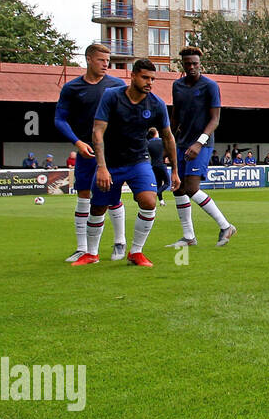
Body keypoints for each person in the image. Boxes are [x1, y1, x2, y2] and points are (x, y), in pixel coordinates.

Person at [76, 59, 180, 267]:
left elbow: (168, 137)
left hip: (138, 161)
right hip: (111, 163)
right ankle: (91, 254)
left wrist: (175, 170)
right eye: (145, 77)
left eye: (152, 79)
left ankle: (136, 252)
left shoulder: (156, 104)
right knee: (98, 208)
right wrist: (102, 167)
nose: (149, 82)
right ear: (132, 76)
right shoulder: (112, 97)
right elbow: (97, 131)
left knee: (149, 202)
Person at [55, 42, 129, 262]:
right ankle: (83, 248)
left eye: (108, 61)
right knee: (83, 195)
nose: (106, 64)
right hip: (86, 150)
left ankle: (120, 241)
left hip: (111, 151)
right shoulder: (72, 88)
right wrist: (77, 142)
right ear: (88, 59)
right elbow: (59, 119)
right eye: (101, 60)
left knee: (111, 195)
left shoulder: (117, 85)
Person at [166, 48, 236, 250]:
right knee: (178, 188)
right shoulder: (177, 86)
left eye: (195, 63)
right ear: (183, 64)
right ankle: (188, 236)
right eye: (188, 64)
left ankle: (226, 226)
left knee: (191, 188)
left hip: (202, 144)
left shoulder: (210, 86)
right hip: (180, 143)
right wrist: (167, 143)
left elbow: (215, 119)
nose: (192, 67)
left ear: (200, 64)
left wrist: (199, 142)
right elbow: (175, 117)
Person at [146, 127, 169, 205]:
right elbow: (167, 150)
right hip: (161, 164)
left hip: (153, 165)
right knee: (167, 183)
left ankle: (161, 201)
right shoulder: (162, 141)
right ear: (156, 133)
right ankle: (155, 194)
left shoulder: (148, 143)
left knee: (158, 183)